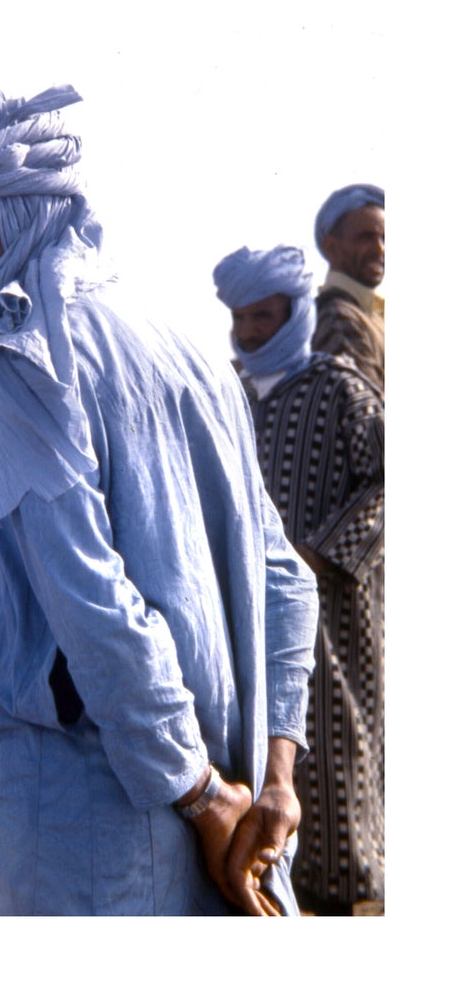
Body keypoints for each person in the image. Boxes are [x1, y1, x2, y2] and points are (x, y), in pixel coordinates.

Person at [0, 83, 318, 916]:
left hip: (91, 820)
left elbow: (91, 600)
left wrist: (197, 793)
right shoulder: (182, 336)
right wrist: (275, 778)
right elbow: (284, 574)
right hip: (234, 796)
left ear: (12, 205)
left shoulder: (19, 356)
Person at [213, 244, 385, 915]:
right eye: (241, 318)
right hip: (241, 606)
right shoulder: (225, 389)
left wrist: (321, 552)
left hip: (332, 614)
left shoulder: (340, 387)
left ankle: (341, 904)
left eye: (263, 316)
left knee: (334, 749)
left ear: (294, 313)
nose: (251, 331)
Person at [312, 183, 385, 393]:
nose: (380, 249)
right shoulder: (339, 319)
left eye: (384, 238)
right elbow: (368, 407)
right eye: (365, 237)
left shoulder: (370, 314)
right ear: (331, 247)